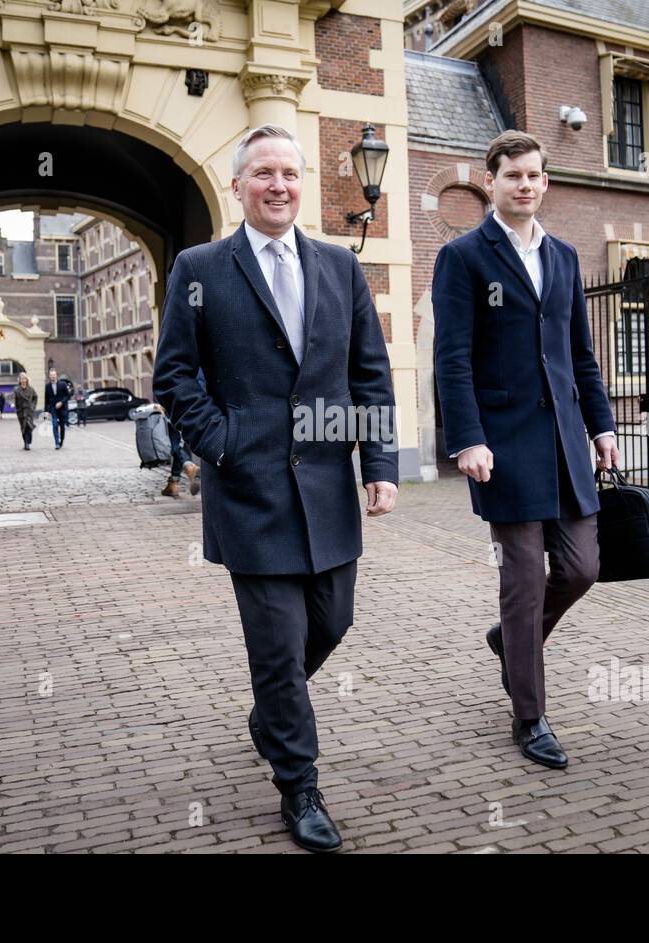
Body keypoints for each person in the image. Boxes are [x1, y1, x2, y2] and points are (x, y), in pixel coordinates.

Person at [154, 124, 398, 853]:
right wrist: (222, 442)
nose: (279, 185)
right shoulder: (200, 267)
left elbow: (369, 373)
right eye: (263, 173)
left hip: (328, 489)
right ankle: (300, 786)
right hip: (249, 493)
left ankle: (270, 715)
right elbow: (173, 376)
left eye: (290, 172)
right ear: (238, 185)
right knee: (278, 647)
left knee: (331, 623)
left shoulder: (338, 266)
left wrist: (380, 465)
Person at [433, 130, 619, 771]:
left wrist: (602, 426)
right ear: (492, 181)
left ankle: (509, 645)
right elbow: (451, 359)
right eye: (512, 175)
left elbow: (581, 357)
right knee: (521, 581)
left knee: (582, 568)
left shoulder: (565, 256)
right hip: (504, 448)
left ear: (545, 182)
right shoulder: (464, 257)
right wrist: (467, 439)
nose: (524, 185)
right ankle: (530, 717)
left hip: (567, 444)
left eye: (534, 175)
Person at [155, 403, 199, 497]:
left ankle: (189, 466)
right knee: (181, 443)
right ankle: (173, 484)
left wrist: (160, 404)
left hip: (174, 409)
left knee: (175, 444)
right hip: (189, 409)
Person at [43, 368, 71, 449]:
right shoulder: (47, 386)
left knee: (62, 426)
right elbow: (46, 400)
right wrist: (46, 412)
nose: (53, 377)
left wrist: (61, 402)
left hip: (62, 408)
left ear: (56, 375)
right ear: (49, 376)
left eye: (54, 375)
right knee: (55, 425)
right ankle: (56, 443)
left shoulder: (62, 384)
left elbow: (67, 396)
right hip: (53, 408)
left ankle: (61, 440)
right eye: (51, 375)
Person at [14, 373, 38, 450]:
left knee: (29, 427)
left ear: (27, 380)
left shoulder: (31, 389)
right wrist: (16, 408)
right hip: (21, 412)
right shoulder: (16, 389)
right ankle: (26, 443)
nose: (23, 380)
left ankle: (28, 441)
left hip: (29, 411)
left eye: (24, 379)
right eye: (22, 379)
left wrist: (33, 407)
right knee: (23, 428)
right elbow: (14, 400)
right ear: (19, 380)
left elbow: (35, 397)